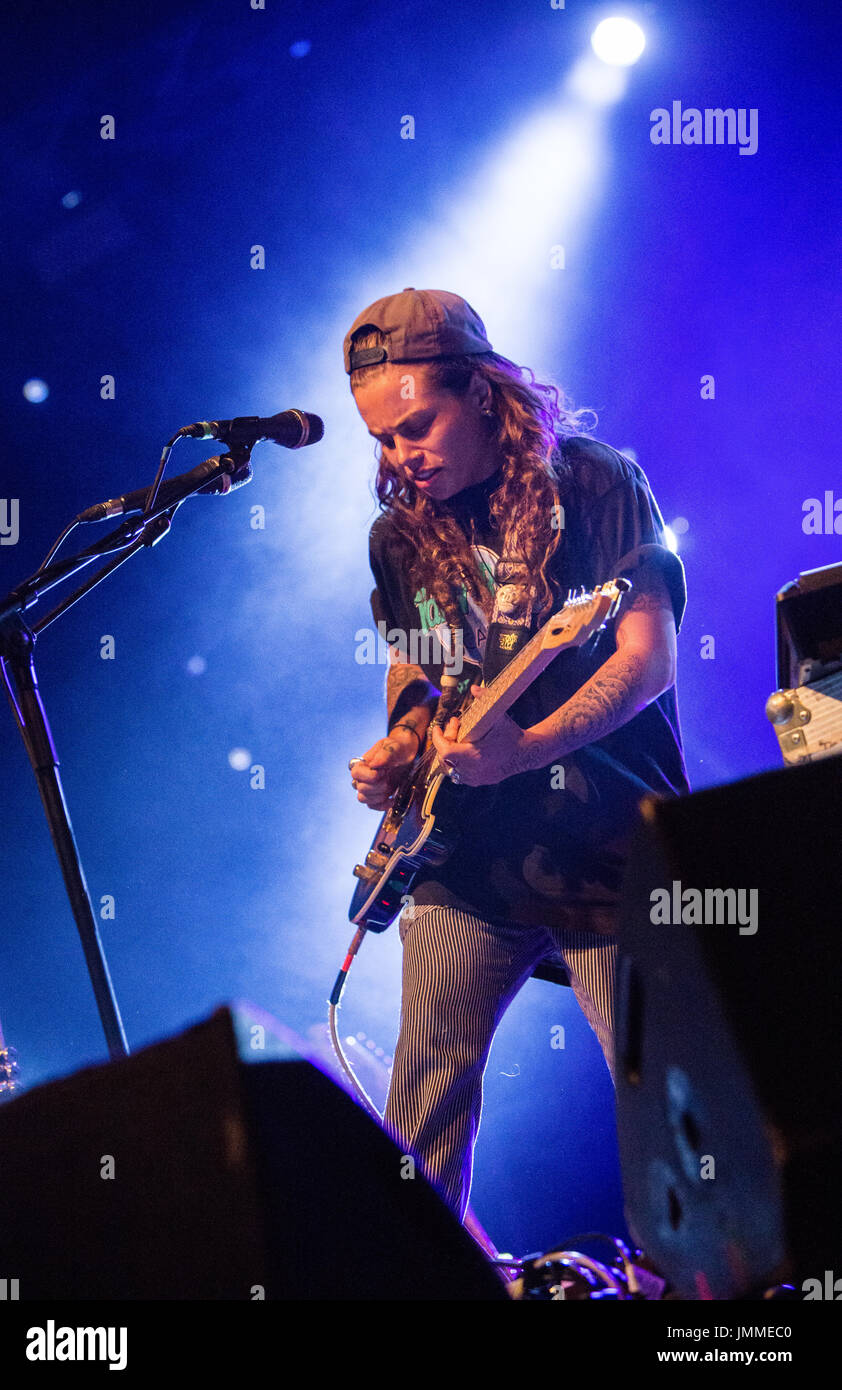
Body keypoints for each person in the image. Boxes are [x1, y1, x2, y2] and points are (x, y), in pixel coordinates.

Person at [344, 287, 689, 1220]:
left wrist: (528, 743)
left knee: (677, 1105)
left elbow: (647, 659)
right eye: (380, 438)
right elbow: (413, 669)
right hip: (465, 860)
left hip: (610, 850)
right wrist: (400, 745)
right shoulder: (399, 535)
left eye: (416, 425)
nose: (400, 456)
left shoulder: (594, 482)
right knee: (421, 1110)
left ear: (484, 393)